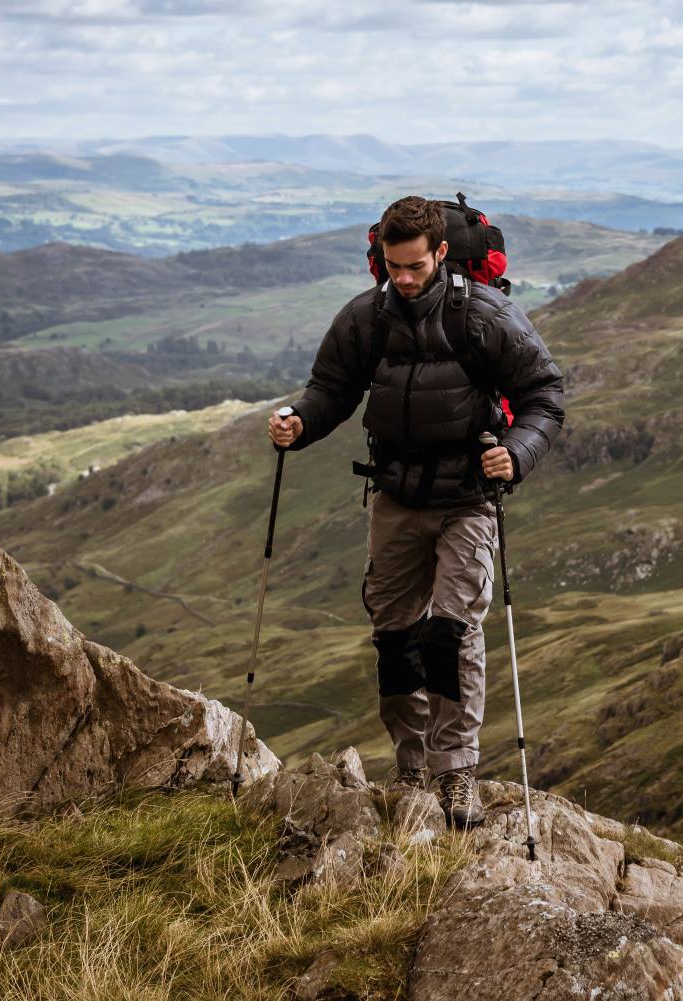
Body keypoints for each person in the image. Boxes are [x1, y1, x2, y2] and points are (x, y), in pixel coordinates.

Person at [267, 195, 565, 827]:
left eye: (414, 268)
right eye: (391, 266)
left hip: (467, 500)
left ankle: (457, 773)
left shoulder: (483, 316)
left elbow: (543, 394)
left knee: (451, 634)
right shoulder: (366, 318)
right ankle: (412, 768)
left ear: (440, 254)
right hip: (396, 496)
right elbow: (332, 391)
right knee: (396, 638)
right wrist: (300, 420)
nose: (402, 280)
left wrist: (517, 452)